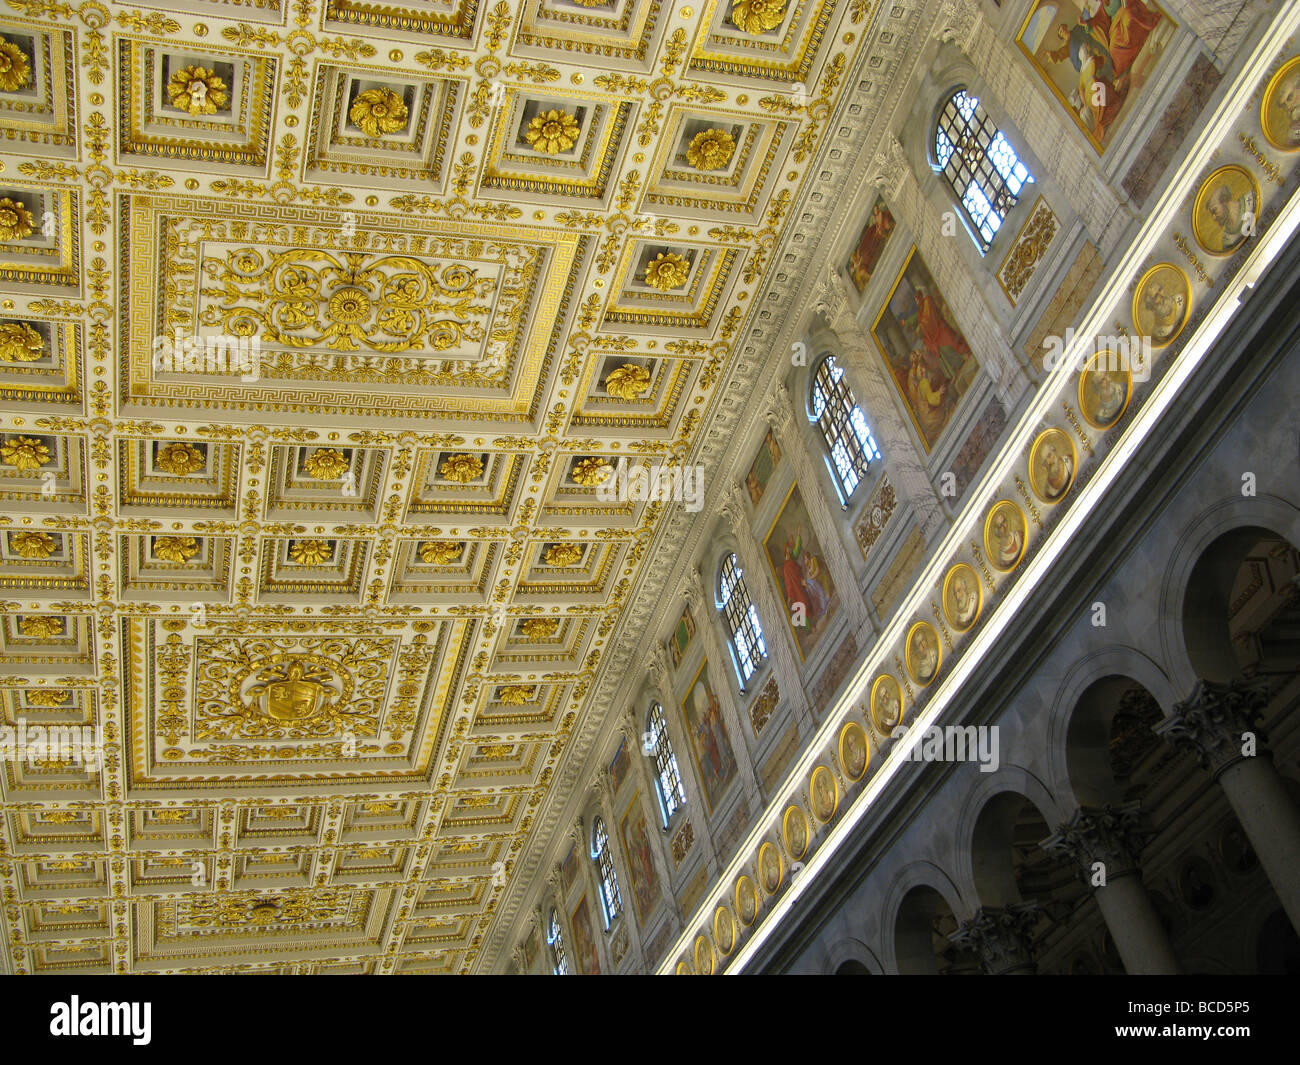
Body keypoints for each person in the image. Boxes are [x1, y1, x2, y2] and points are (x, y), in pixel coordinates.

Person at [1205, 181, 1255, 251]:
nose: (1214, 218)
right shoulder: (1227, 240)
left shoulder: (1252, 200)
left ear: (1225, 201)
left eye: (1215, 210)